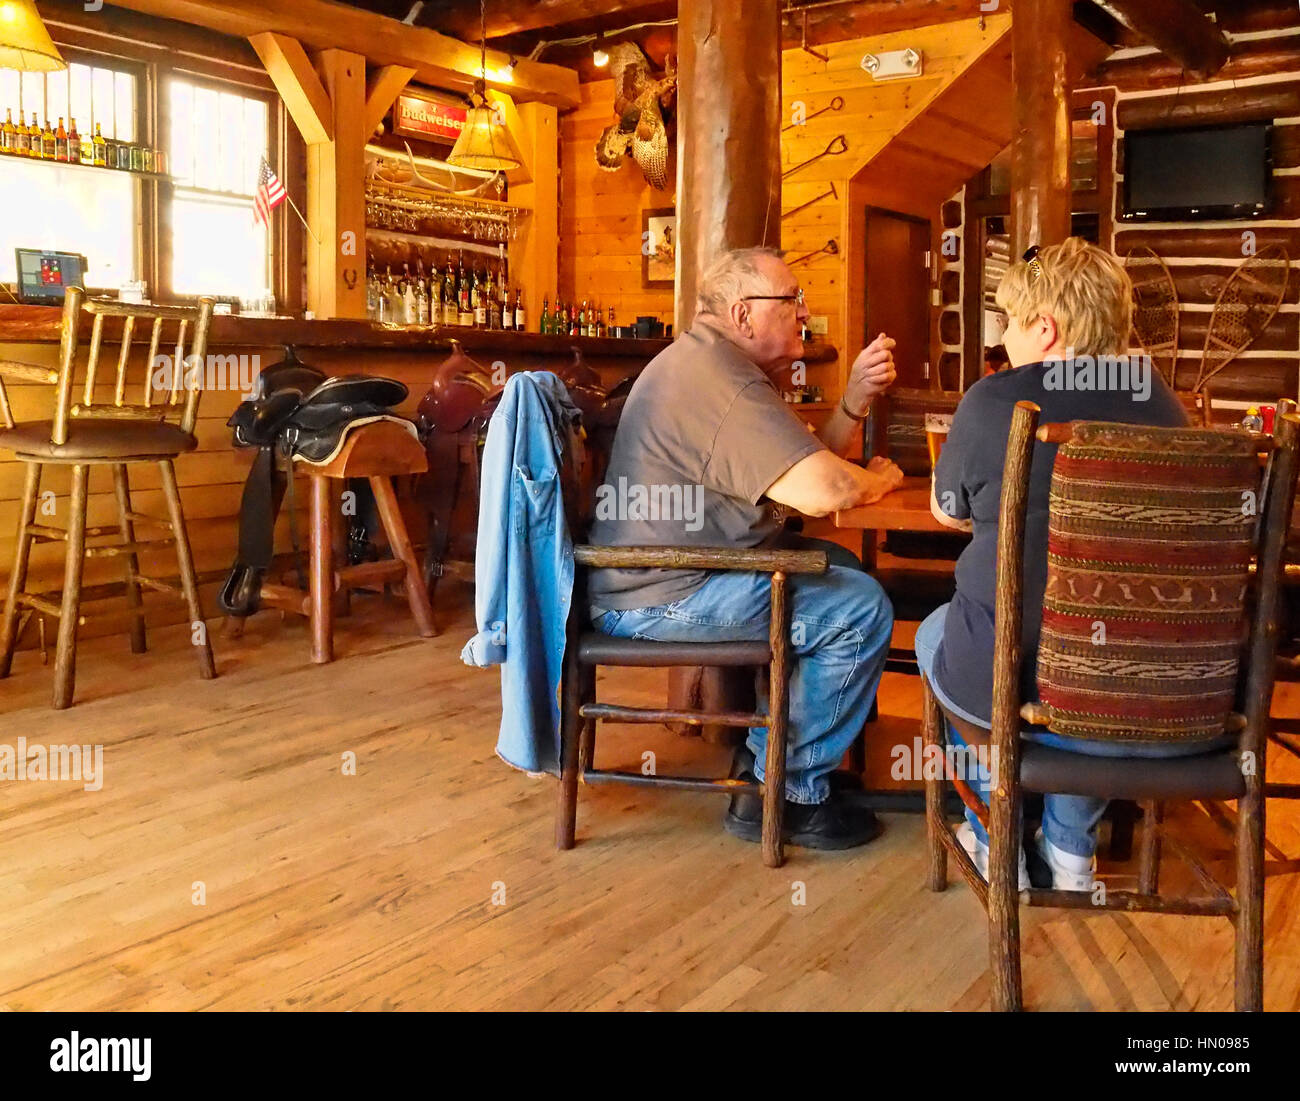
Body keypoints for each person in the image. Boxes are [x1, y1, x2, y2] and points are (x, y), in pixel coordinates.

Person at [588, 246, 903, 850]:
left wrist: (853, 399)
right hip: (657, 596)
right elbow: (823, 489)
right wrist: (879, 481)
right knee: (856, 608)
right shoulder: (720, 381)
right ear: (743, 314)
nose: (804, 311)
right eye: (792, 300)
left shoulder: (712, 363)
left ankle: (781, 752)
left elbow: (800, 465)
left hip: (655, 578)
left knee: (840, 567)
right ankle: (782, 788)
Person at [918, 238, 1192, 889]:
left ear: (1045, 328)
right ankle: (1070, 852)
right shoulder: (1162, 402)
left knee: (939, 633)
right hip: (1146, 683)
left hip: (1015, 671)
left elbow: (948, 511)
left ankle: (997, 841)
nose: (1005, 337)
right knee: (1092, 657)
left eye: (1010, 321)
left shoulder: (994, 400)